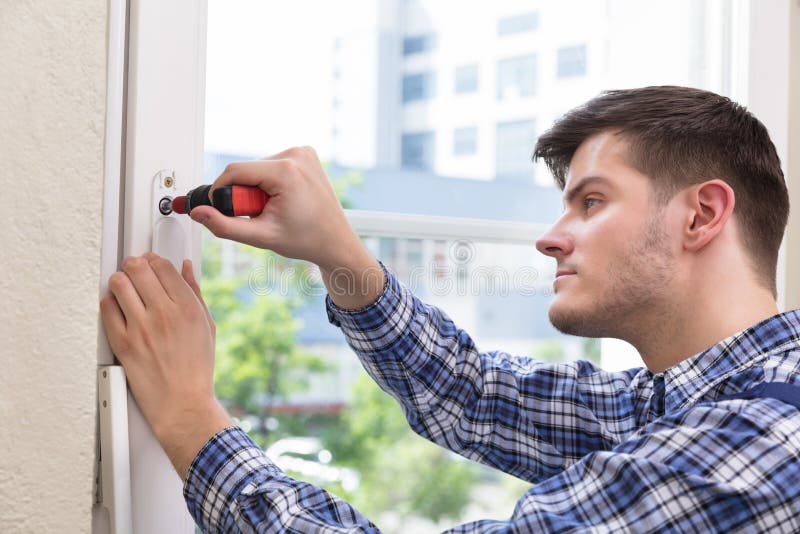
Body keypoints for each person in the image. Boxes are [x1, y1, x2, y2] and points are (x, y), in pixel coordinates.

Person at [100, 86, 800, 532]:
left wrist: (189, 417)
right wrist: (339, 255)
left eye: (591, 202)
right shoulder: (695, 402)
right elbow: (472, 394)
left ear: (701, 214)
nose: (550, 237)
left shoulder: (759, 444)